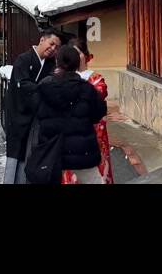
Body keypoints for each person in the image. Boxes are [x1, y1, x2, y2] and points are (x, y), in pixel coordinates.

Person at [32, 45, 108, 184]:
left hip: (52, 149)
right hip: (82, 150)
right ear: (77, 64)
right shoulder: (86, 89)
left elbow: (35, 110)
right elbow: (98, 113)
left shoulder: (44, 87)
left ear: (57, 62)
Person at [2, 30, 62, 184]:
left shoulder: (50, 64)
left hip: (34, 118)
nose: (53, 49)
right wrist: (41, 89)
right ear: (42, 40)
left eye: (57, 47)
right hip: (18, 112)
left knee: (28, 153)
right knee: (15, 153)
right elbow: (23, 85)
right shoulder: (23, 59)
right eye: (52, 43)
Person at [62, 38, 113, 184]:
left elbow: (97, 101)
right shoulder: (63, 79)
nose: (76, 58)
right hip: (70, 136)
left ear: (85, 55)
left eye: (78, 53)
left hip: (93, 134)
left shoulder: (96, 79)